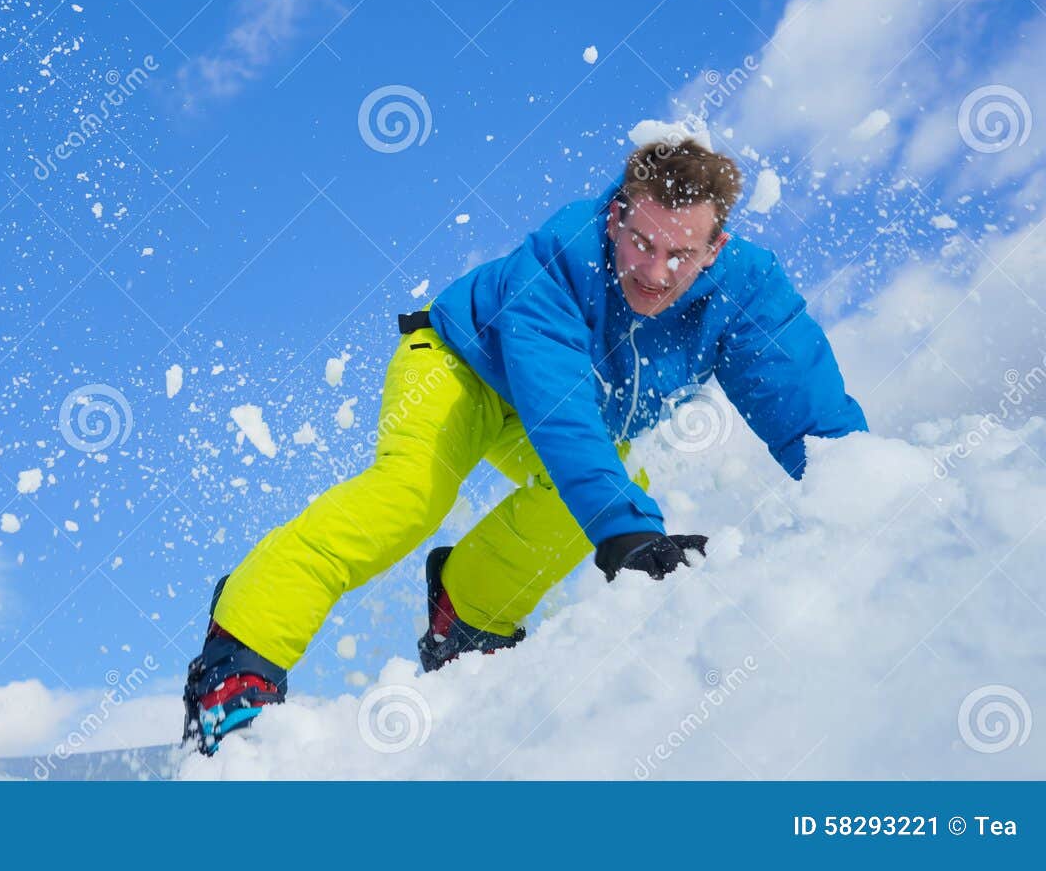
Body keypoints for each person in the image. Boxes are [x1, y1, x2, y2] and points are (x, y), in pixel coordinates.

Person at [181, 138, 868, 754]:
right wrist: (623, 526)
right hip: (458, 369)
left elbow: (803, 403)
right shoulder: (563, 254)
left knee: (615, 497)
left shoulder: (747, 289)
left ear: (715, 248)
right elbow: (561, 405)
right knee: (410, 498)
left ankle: (467, 611)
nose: (655, 271)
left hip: (558, 414)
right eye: (641, 243)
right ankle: (239, 652)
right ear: (616, 217)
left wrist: (865, 496)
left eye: (680, 253)